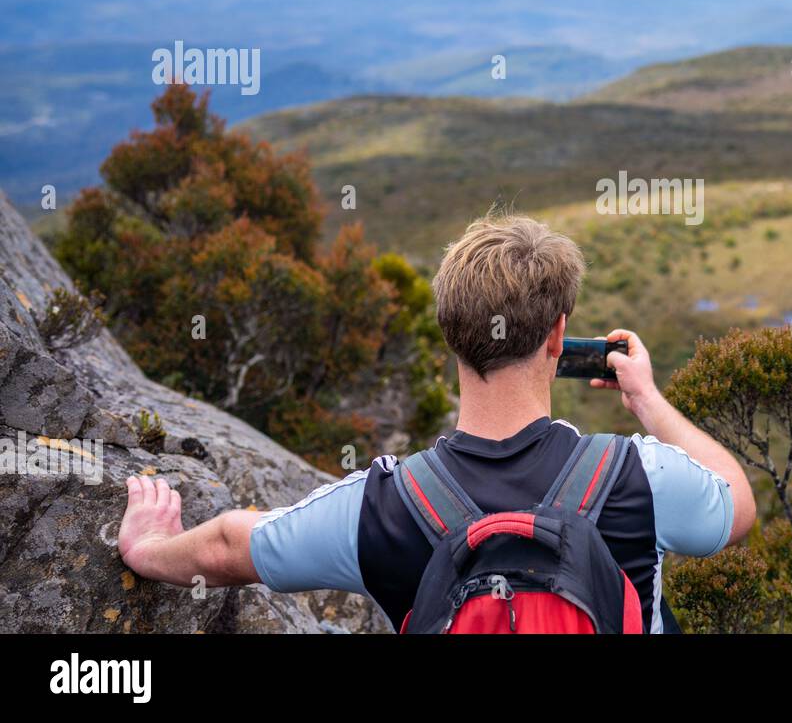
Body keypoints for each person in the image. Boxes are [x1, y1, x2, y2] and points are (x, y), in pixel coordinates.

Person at [117, 213, 756, 633]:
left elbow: (231, 545)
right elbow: (738, 505)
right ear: (559, 335)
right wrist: (647, 401)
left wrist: (146, 550)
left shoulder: (381, 508)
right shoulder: (638, 479)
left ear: (450, 334)